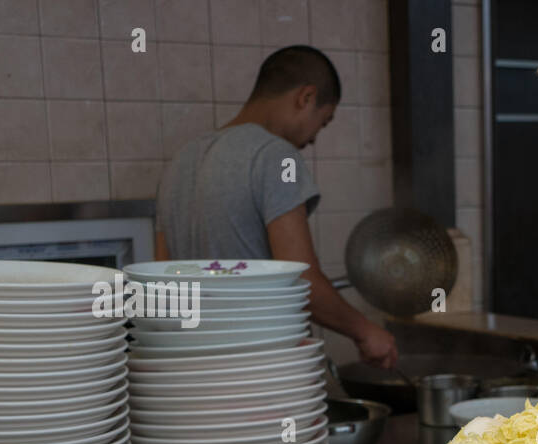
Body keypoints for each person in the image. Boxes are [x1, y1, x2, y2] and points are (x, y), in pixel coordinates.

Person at [154, 45, 397, 368]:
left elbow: (161, 275)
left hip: (190, 368)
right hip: (262, 370)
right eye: (322, 122)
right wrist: (365, 331)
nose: (313, 140)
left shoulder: (180, 163)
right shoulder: (275, 156)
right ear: (306, 97)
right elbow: (299, 278)